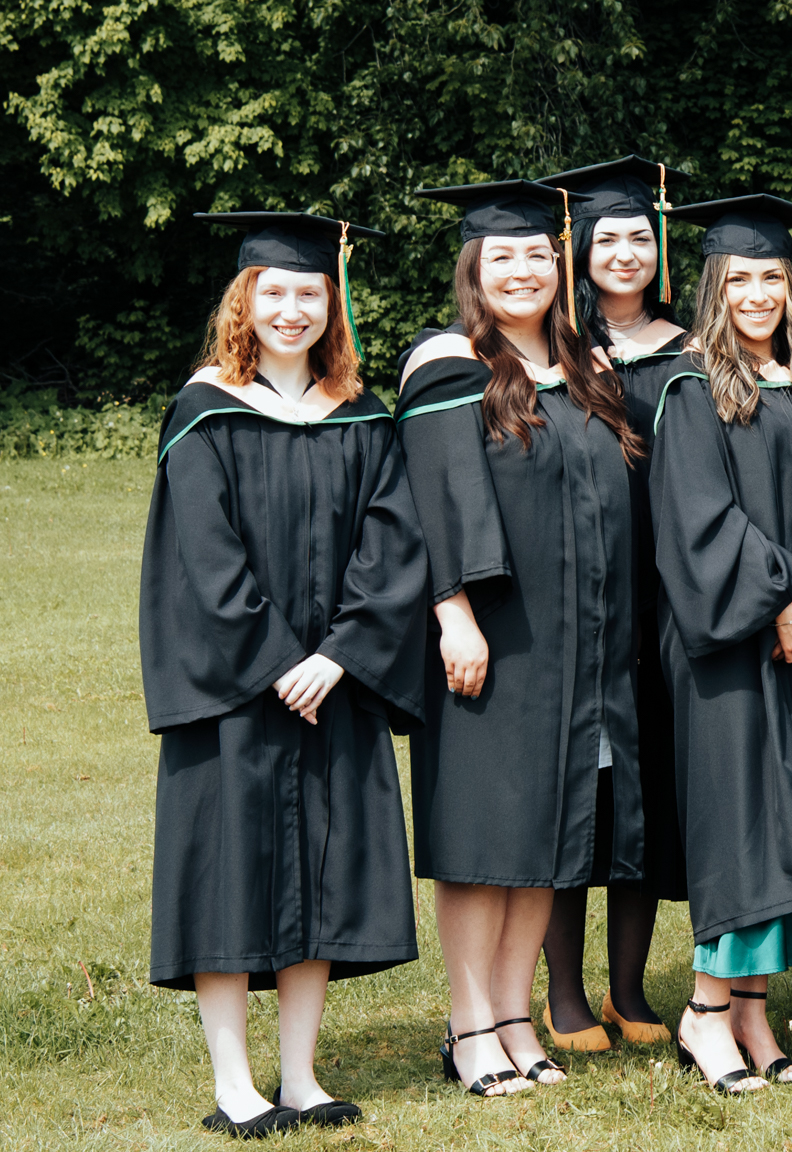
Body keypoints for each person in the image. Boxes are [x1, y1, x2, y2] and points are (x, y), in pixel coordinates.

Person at [143, 213, 427, 1137]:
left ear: (331, 305)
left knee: (324, 876)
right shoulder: (205, 411)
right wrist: (277, 661)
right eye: (275, 292)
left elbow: (392, 543)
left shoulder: (361, 416)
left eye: (310, 293)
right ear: (246, 301)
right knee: (229, 880)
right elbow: (206, 558)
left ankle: (300, 1077)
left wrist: (340, 653)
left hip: (330, 686)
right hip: (236, 691)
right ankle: (236, 1086)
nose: (293, 309)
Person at [399, 179, 644, 1097]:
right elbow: (431, 503)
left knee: (548, 827)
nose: (522, 270)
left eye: (538, 254)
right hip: (493, 639)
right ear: (474, 269)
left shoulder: (586, 371)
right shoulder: (449, 366)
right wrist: (453, 613)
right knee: (482, 836)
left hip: (581, 639)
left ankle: (513, 1019)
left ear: (559, 266)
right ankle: (469, 1028)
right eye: (501, 256)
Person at [652, 193, 792, 1094]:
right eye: (739, 279)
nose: (757, 294)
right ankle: (705, 1012)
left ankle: (750, 1011)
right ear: (714, 286)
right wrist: (778, 601)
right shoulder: (691, 388)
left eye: (772, 278)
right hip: (729, 645)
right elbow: (699, 517)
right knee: (741, 824)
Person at [529, 154, 690, 1054]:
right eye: (607, 240)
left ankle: (629, 989)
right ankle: (564, 995)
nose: (625, 254)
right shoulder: (552, 352)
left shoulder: (690, 347)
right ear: (578, 251)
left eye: (640, 237)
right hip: (579, 594)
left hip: (666, 602)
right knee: (575, 793)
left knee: (646, 793)